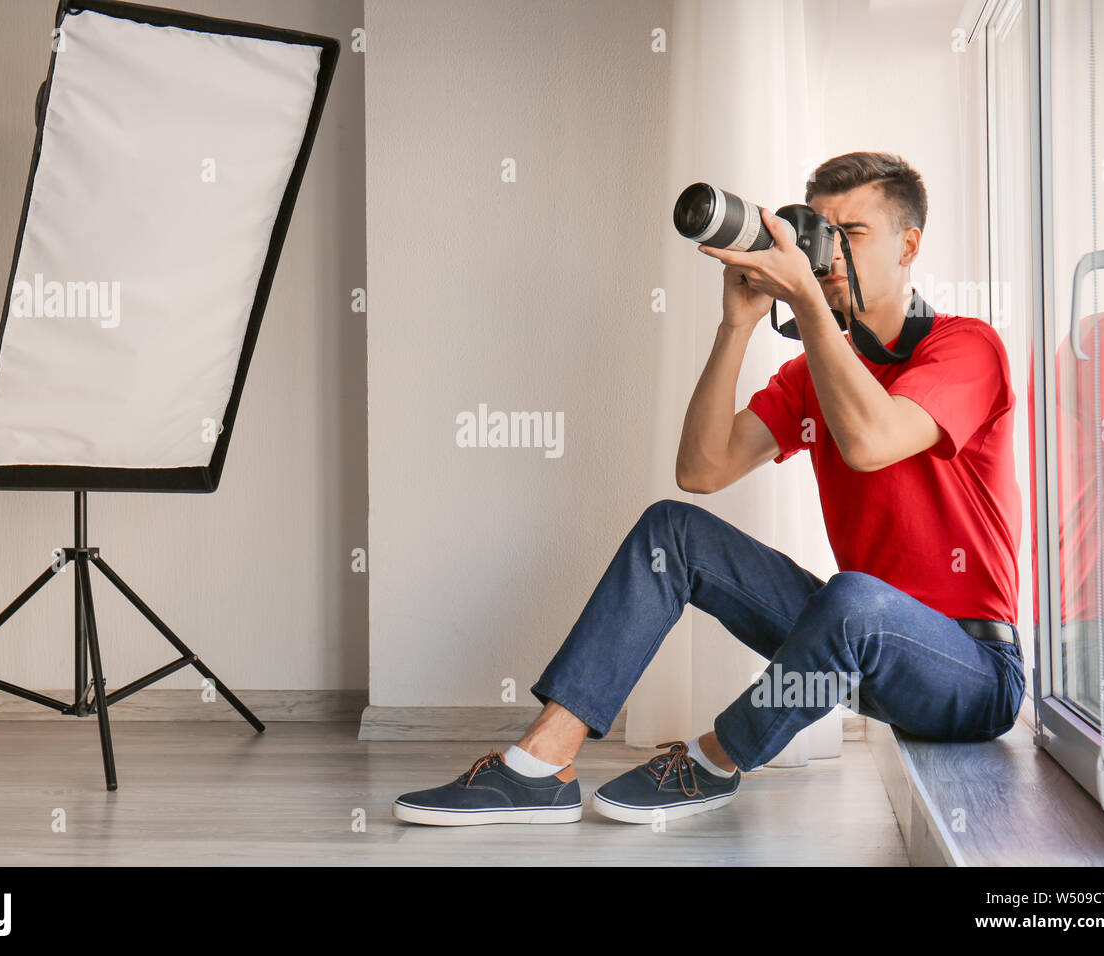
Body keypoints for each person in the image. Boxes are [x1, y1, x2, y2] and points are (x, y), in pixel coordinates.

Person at [392, 151, 1025, 827]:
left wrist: (808, 303)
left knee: (856, 600)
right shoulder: (813, 373)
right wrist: (737, 325)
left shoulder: (967, 347)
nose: (832, 252)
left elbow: (871, 442)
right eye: (822, 230)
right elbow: (701, 469)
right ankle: (539, 766)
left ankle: (713, 760)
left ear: (910, 245)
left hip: (972, 673)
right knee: (674, 531)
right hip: (848, 645)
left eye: (856, 233)